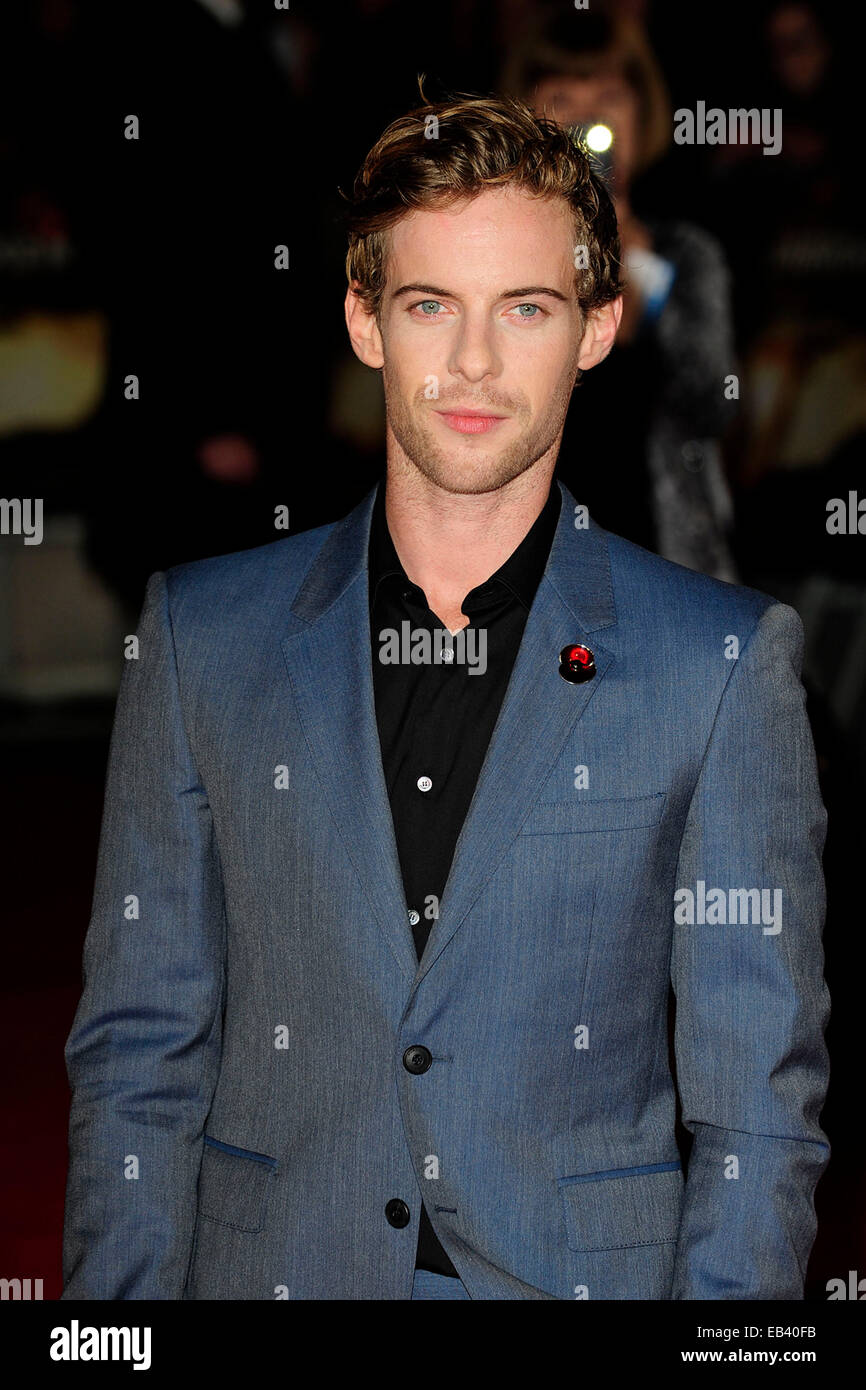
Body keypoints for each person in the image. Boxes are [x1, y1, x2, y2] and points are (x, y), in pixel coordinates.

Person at [61, 88, 830, 1301]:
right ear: (365, 321)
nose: (473, 362)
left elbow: (758, 1114)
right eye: (430, 306)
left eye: (524, 309)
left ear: (595, 327)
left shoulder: (720, 666)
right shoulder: (200, 636)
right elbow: (138, 1059)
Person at [502, 6, 740, 580]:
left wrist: (634, 263)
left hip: (666, 559)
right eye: (562, 101)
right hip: (536, 563)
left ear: (642, 111)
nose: (589, 121)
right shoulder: (504, 253)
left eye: (610, 96)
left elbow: (714, 402)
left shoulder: (685, 253)